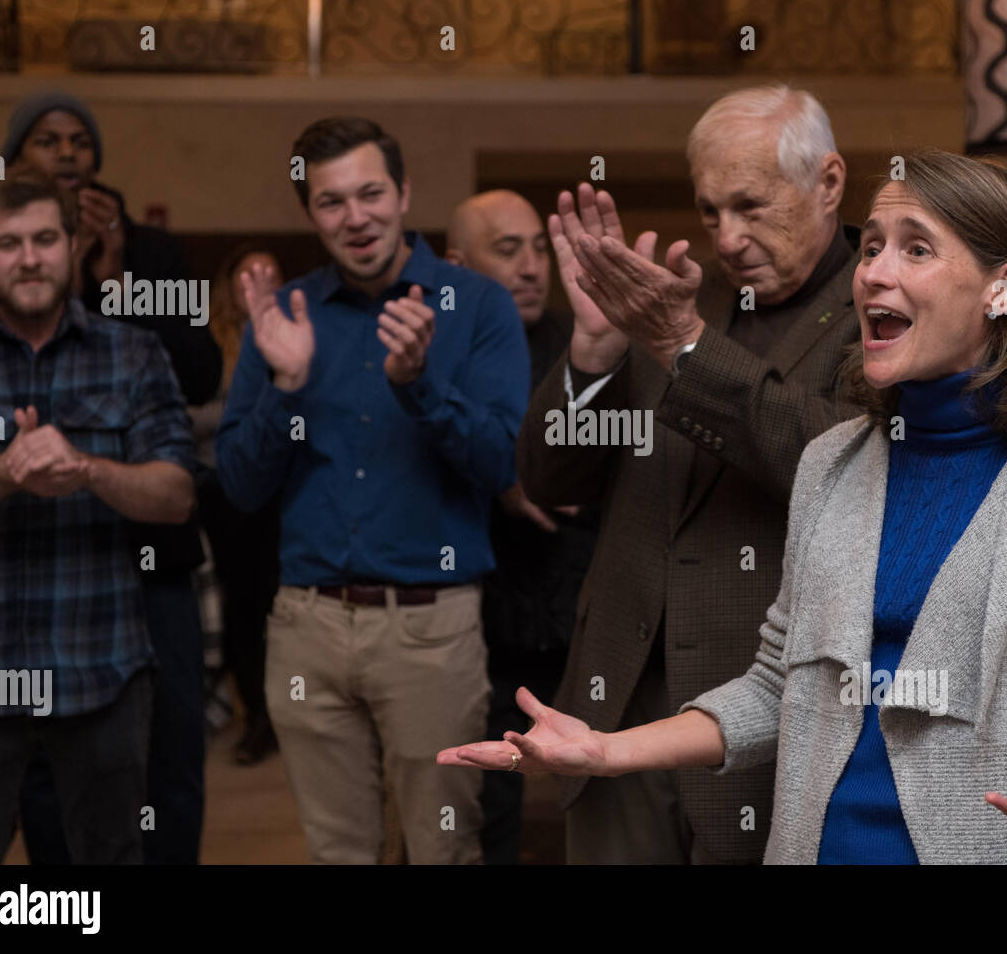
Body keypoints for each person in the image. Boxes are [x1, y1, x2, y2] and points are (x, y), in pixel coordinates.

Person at [441, 149, 1007, 865]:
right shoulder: (833, 462)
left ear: (1006, 289)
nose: (874, 275)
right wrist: (608, 749)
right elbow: (779, 684)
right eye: (870, 248)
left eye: (916, 250)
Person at [513, 85, 862, 863]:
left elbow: (839, 466)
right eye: (709, 212)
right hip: (617, 697)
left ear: (828, 182)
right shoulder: (675, 298)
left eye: (750, 205)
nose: (727, 238)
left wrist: (684, 346)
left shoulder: (881, 303)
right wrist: (595, 353)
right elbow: (549, 479)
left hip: (762, 717)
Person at [215, 117, 530, 864]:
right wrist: (285, 389)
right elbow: (239, 487)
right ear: (309, 213)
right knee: (337, 852)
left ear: (404, 192)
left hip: (431, 630)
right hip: (305, 627)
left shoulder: (477, 305)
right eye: (331, 202)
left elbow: (501, 465)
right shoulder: (285, 317)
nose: (355, 218)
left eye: (370, 194)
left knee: (444, 848)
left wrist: (422, 385)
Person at [0, 89, 218, 865]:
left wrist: (88, 468)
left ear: (73, 246)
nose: (29, 258)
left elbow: (176, 495)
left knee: (109, 862)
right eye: (7, 244)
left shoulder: (132, 353)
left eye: (44, 240)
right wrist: (4, 473)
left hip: (99, 672)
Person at [445, 189, 599, 863]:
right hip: (481, 617)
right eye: (508, 250)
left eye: (540, 247)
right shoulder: (432, 355)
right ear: (457, 265)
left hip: (581, 608)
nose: (533, 266)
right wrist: (501, 481)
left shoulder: (586, 343)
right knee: (482, 804)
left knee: (604, 793)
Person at [189, 242, 283, 765]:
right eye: (249, 275)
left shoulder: (298, 333)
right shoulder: (210, 341)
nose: (260, 284)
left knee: (281, 604)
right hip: (223, 491)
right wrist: (250, 412)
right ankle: (257, 716)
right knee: (243, 605)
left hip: (283, 493)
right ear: (230, 285)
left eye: (271, 274)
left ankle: (287, 712)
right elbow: (188, 416)